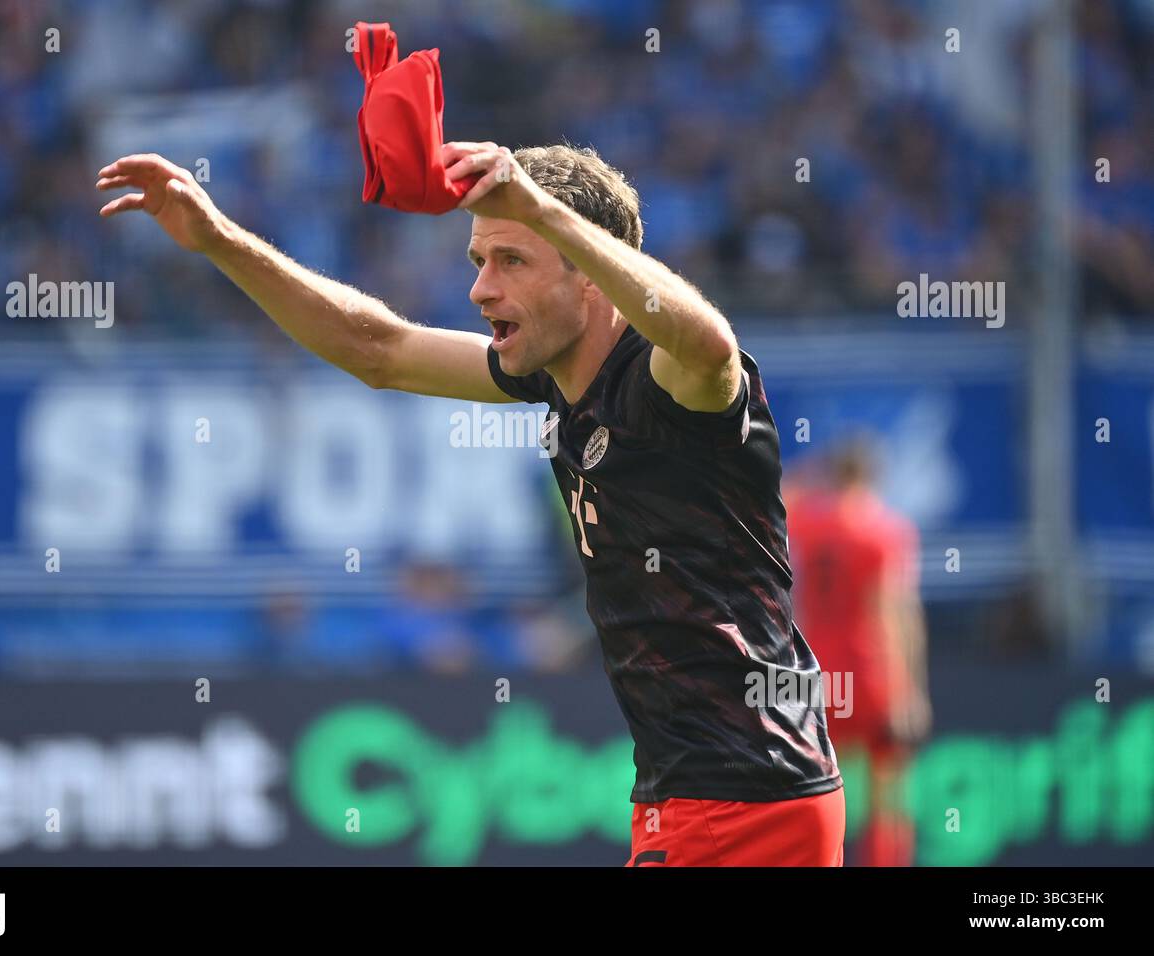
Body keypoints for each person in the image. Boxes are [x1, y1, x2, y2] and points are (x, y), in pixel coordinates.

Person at [96, 141, 843, 866]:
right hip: (720, 795)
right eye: (479, 261)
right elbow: (378, 350)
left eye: (510, 260)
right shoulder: (554, 377)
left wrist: (544, 210)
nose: (481, 288)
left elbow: (709, 343)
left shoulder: (673, 385)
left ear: (588, 272)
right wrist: (221, 239)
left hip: (740, 804)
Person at [785, 440, 932, 866]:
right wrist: (911, 691)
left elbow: (778, 491)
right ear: (874, 477)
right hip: (871, 675)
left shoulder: (809, 524)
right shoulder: (886, 531)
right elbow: (896, 612)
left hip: (817, 675)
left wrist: (813, 472)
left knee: (820, 791)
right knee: (889, 796)